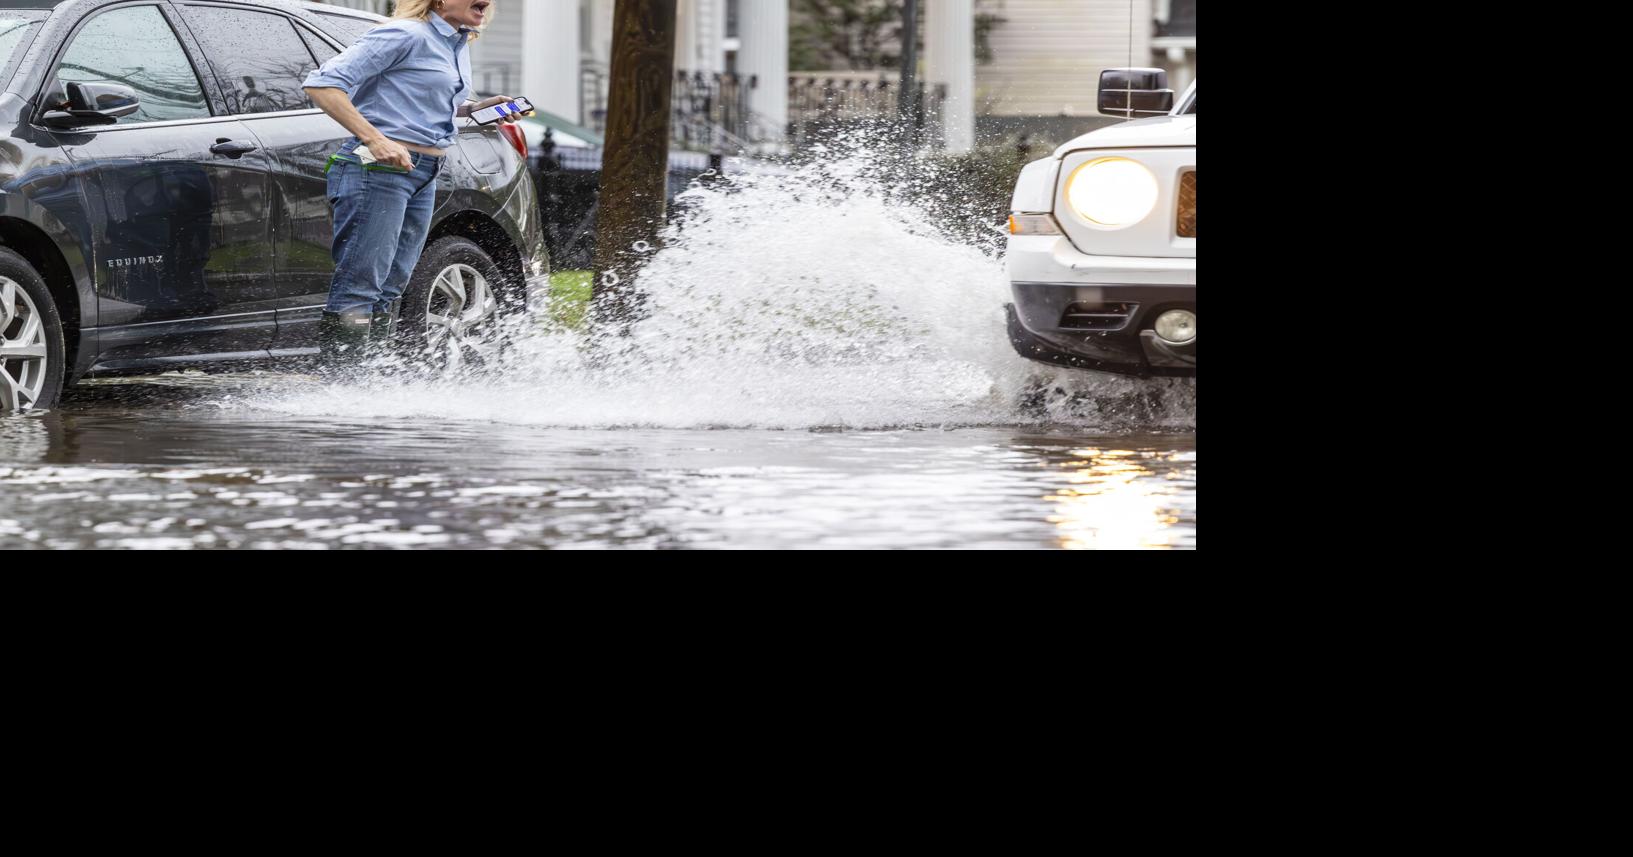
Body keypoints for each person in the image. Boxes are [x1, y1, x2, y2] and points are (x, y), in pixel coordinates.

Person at [301, 0, 520, 370]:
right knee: (363, 281)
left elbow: (413, 100)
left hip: (424, 171)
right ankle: (343, 384)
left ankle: (370, 381)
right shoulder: (404, 33)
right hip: (378, 169)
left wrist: (472, 110)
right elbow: (322, 84)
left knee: (392, 284)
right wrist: (375, 139)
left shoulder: (456, 44)